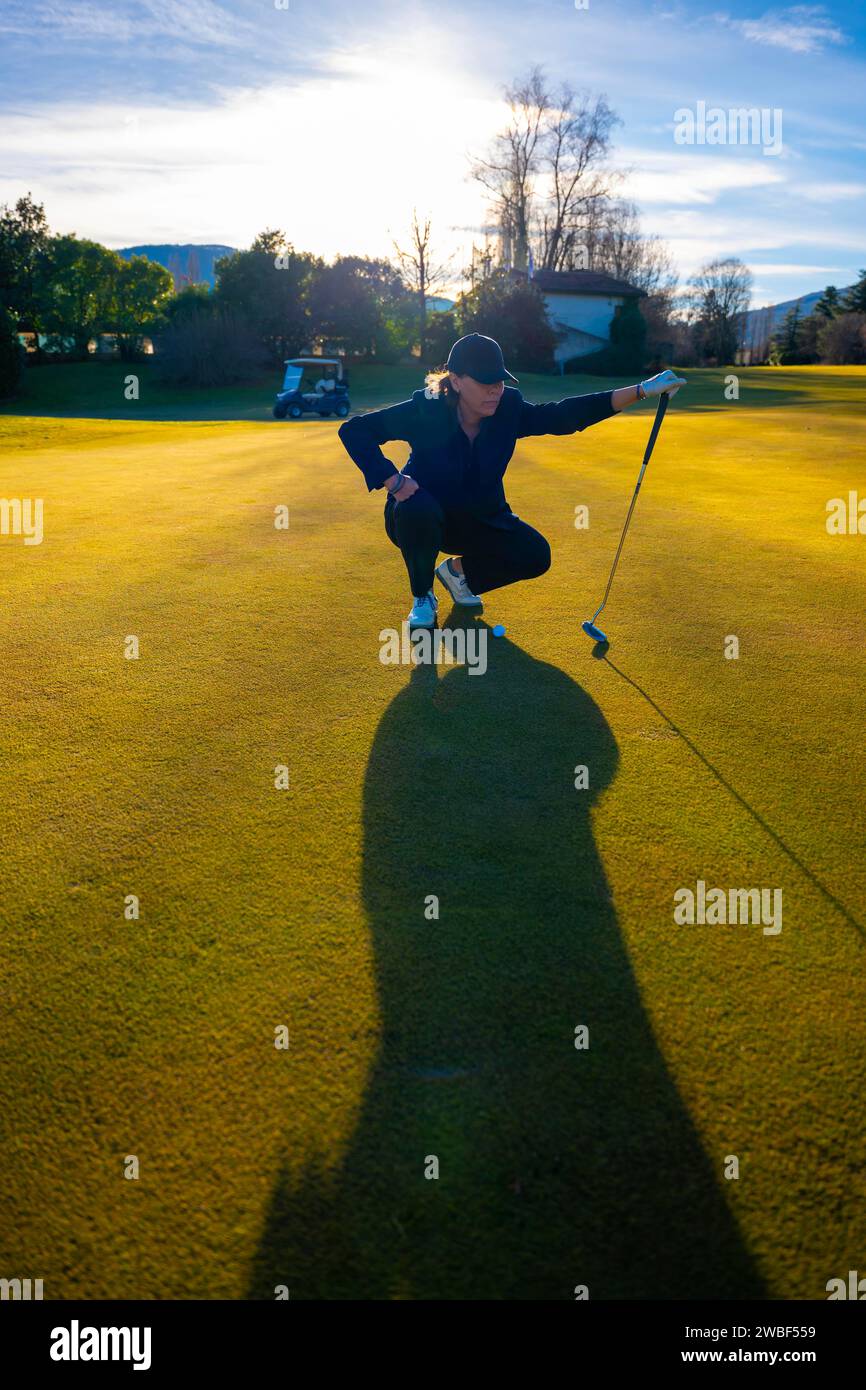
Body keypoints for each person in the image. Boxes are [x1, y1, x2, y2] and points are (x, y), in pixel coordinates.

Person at [338, 332, 685, 630]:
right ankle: (422, 596)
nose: (495, 390)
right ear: (456, 381)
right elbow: (355, 430)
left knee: (535, 554)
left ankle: (459, 575)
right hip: (421, 518)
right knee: (416, 507)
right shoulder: (426, 408)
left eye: (499, 381)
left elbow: (563, 416)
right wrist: (394, 481)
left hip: (479, 518)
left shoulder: (509, 409)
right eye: (484, 382)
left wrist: (643, 389)